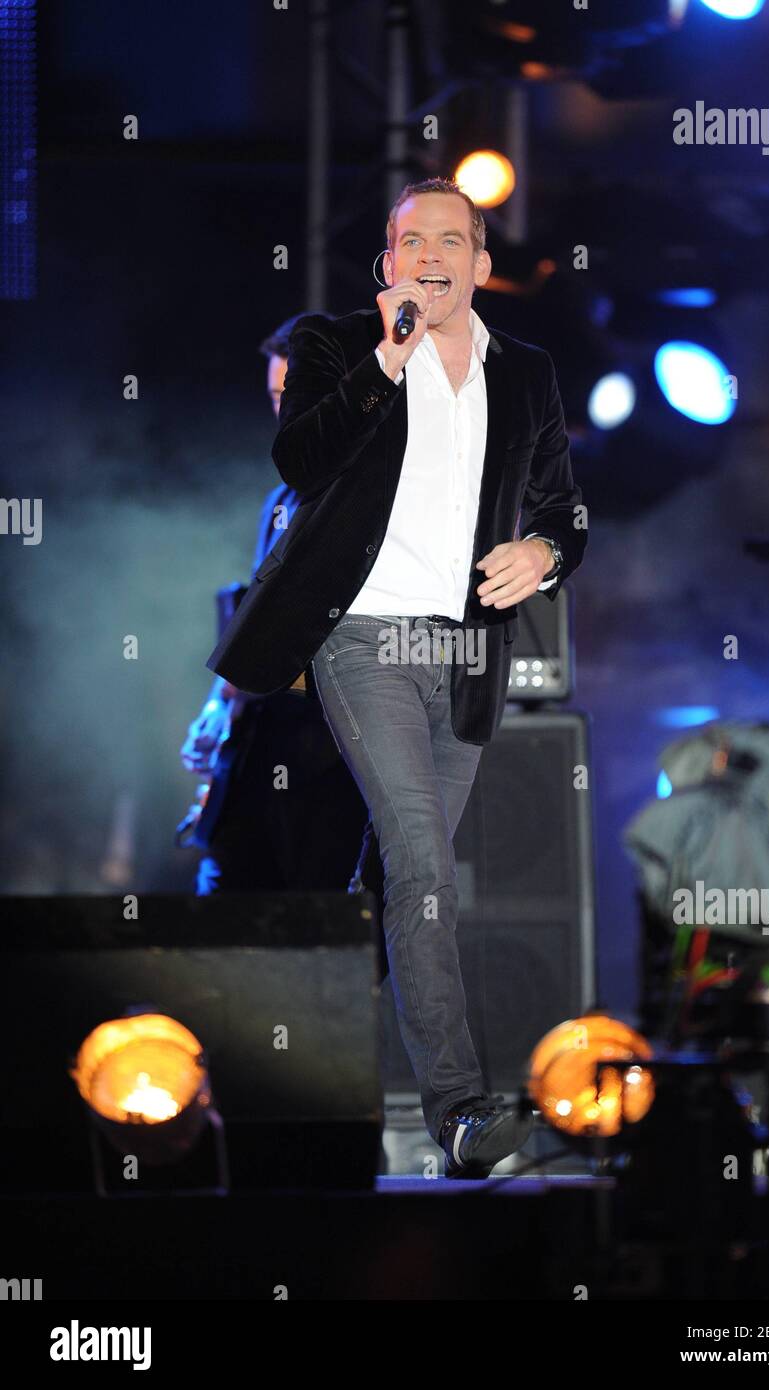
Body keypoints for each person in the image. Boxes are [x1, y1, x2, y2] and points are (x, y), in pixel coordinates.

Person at [207, 177, 588, 1178]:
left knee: (394, 885)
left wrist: (543, 553)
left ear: (480, 263)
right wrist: (388, 356)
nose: (430, 253)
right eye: (409, 240)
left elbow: (565, 507)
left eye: (451, 240)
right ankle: (462, 1110)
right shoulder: (341, 346)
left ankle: (293, 1048)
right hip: (361, 639)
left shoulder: (529, 372)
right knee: (422, 862)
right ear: (389, 264)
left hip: (462, 651)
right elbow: (301, 459)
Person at [180, 317, 372, 911]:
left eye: (292, 399)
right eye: (273, 400)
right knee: (227, 893)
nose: (281, 416)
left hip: (335, 746)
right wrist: (220, 704)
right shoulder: (279, 500)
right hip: (265, 739)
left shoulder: (368, 485)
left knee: (320, 913)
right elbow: (259, 613)